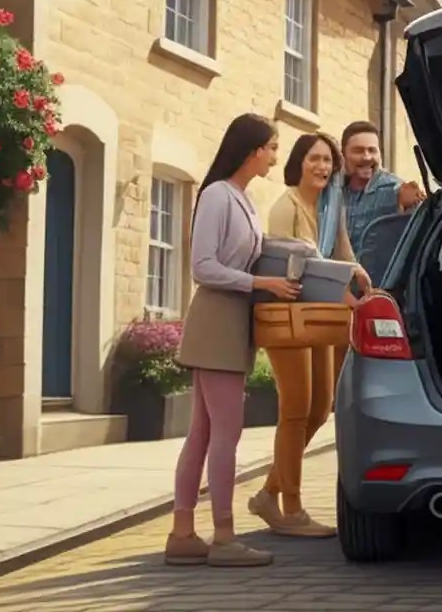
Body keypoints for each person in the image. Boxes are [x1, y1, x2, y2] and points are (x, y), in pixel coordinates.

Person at [166, 113, 293, 567]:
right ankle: (223, 536)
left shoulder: (243, 198)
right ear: (254, 150)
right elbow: (203, 266)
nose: (276, 156)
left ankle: (183, 534)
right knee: (224, 432)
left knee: (203, 432)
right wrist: (262, 285)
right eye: (273, 148)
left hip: (232, 319)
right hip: (217, 317)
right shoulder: (218, 195)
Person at [247, 132, 372, 538]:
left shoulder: (330, 205)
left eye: (327, 162)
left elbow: (341, 249)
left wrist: (357, 272)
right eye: (314, 159)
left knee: (321, 409)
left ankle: (268, 492)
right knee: (296, 410)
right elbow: (290, 269)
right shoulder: (286, 207)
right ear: (299, 163)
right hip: (289, 315)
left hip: (319, 311)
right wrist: (339, 284)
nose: (321, 167)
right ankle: (292, 509)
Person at [339, 121, 425, 260]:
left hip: (379, 280)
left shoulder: (395, 190)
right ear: (343, 155)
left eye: (372, 150)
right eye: (358, 151)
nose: (367, 157)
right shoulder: (333, 191)